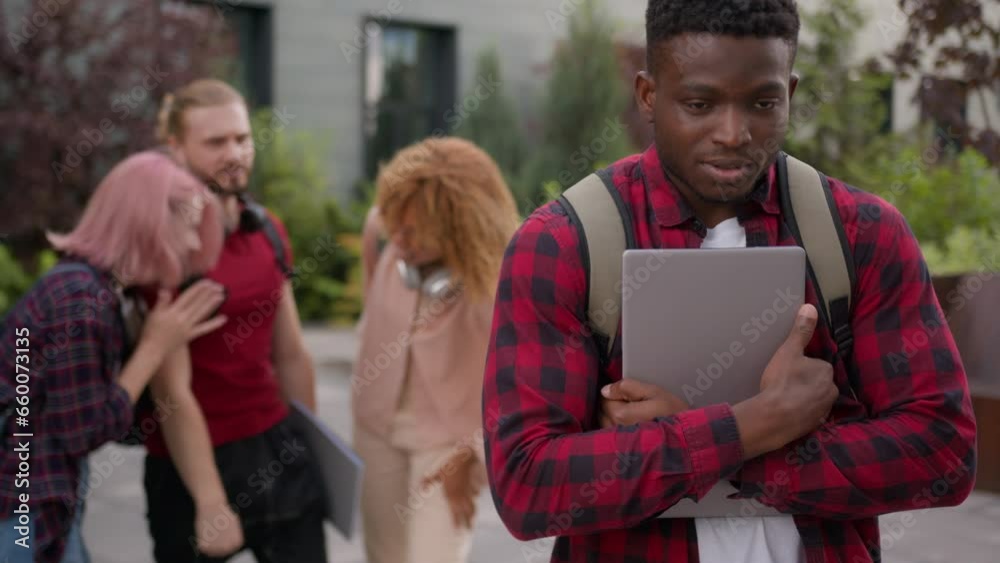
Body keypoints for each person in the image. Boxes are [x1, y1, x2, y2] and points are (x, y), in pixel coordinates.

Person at [481, 1, 978, 562]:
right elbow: (527, 486)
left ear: (790, 90)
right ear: (648, 95)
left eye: (764, 103)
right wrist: (754, 425)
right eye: (700, 103)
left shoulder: (863, 235)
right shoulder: (561, 245)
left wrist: (720, 444)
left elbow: (945, 454)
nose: (734, 134)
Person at [0, 151, 228, 563]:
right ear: (152, 224)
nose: (194, 243)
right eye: (189, 228)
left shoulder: (83, 287)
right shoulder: (82, 301)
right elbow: (82, 432)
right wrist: (154, 348)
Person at [139, 78, 326, 563]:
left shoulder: (266, 230)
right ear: (176, 147)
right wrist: (210, 502)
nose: (235, 153)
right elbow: (169, 391)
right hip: (189, 468)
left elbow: (289, 353)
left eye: (242, 139)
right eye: (216, 142)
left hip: (274, 444)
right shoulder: (165, 248)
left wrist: (313, 457)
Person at [352, 136, 521, 563]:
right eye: (396, 226)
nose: (399, 240)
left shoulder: (501, 277)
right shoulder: (382, 234)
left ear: (460, 228)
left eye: (414, 233)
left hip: (449, 445)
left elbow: (513, 384)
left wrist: (473, 456)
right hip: (377, 429)